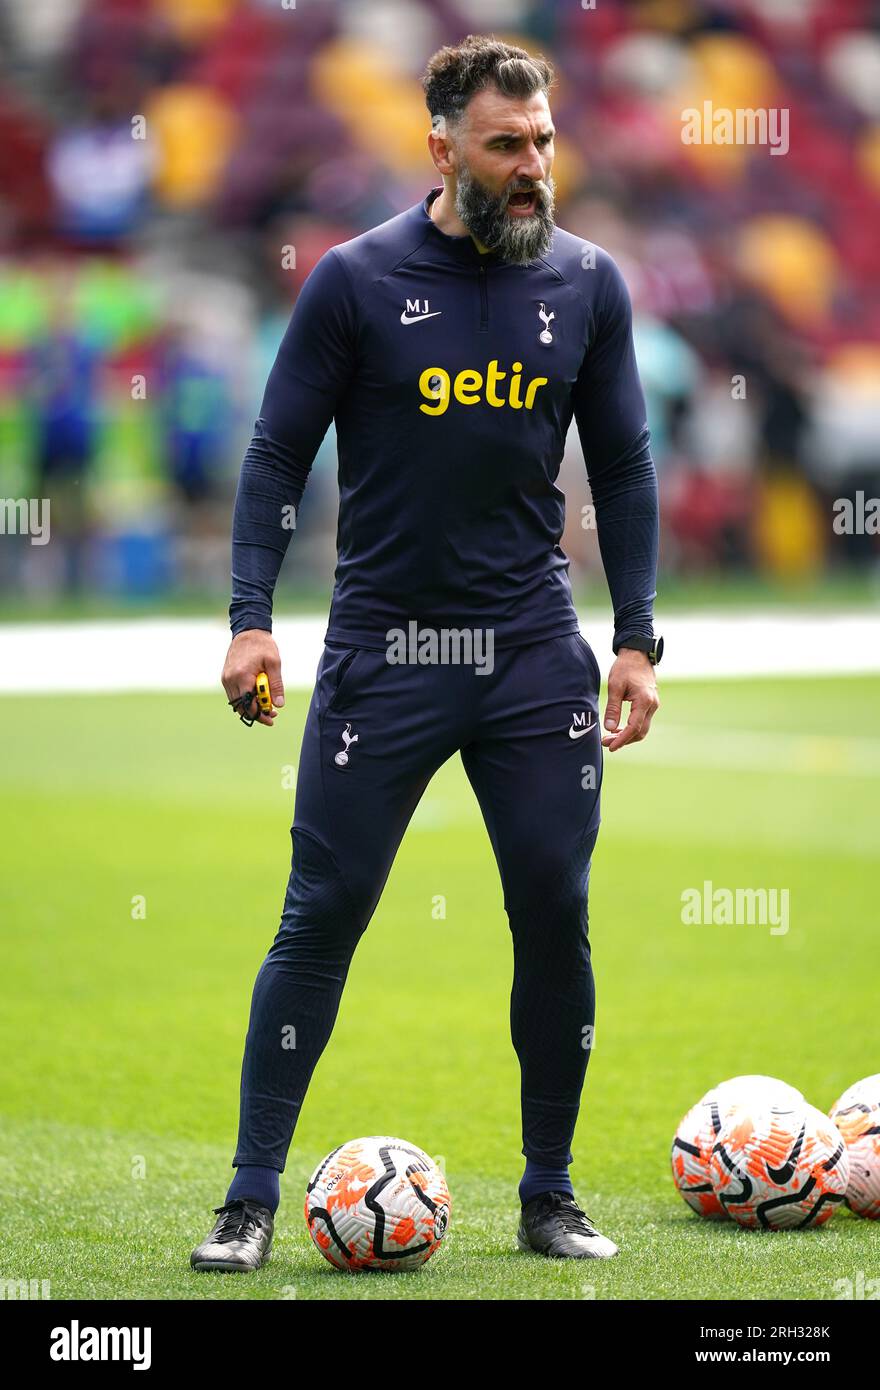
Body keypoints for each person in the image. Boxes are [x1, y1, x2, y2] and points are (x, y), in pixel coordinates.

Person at [192, 33, 661, 1273]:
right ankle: (246, 1198)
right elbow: (275, 457)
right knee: (323, 913)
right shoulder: (351, 281)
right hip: (384, 654)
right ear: (441, 144)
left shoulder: (588, 283)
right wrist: (250, 616)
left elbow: (621, 465)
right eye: (507, 145)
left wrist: (634, 639)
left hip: (530, 657)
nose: (533, 167)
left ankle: (549, 1195)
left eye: (545, 142)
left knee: (553, 910)